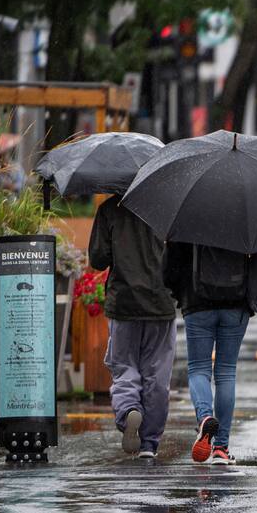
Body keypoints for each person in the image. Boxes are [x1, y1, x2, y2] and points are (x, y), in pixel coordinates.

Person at [89, 194, 177, 459]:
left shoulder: (109, 209)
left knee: (124, 366)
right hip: (161, 302)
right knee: (157, 374)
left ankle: (128, 410)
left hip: (123, 302)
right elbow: (180, 255)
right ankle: (149, 443)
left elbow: (98, 259)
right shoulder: (166, 206)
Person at [164, 243, 257, 465]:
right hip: (236, 302)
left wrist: (180, 293)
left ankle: (205, 417)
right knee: (226, 373)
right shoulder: (246, 214)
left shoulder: (189, 213)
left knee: (199, 369)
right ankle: (221, 447)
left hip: (197, 301)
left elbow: (169, 268)